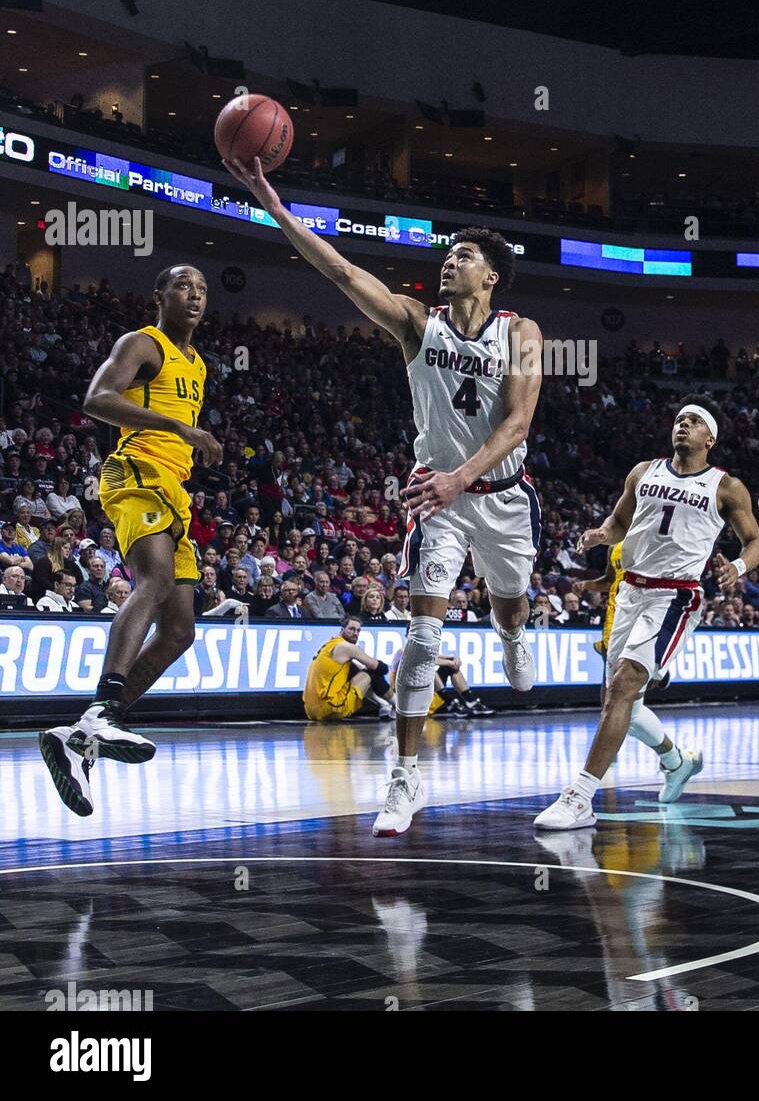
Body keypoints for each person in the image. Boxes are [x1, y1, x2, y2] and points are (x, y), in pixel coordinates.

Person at [225, 155, 542, 838]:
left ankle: (512, 629)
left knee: (510, 602)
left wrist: (465, 475)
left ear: (490, 275)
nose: (448, 262)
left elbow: (518, 421)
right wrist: (277, 209)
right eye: (447, 255)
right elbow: (341, 272)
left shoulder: (520, 332)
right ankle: (405, 778)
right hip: (440, 500)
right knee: (423, 635)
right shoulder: (414, 324)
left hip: (506, 497)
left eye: (462, 256)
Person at [37, 264, 222, 819]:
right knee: (155, 580)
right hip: (134, 470)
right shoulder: (143, 343)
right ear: (160, 296)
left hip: (175, 488)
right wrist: (178, 428)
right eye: (183, 286)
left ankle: (80, 739)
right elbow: (96, 398)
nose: (194, 295)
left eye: (202, 289)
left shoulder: (199, 363)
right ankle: (100, 709)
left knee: (182, 630)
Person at [535, 397, 759, 829]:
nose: (683, 425)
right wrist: (601, 535)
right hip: (630, 593)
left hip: (675, 597)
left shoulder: (726, 486)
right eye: (679, 419)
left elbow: (756, 543)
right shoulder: (644, 471)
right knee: (620, 701)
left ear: (709, 438)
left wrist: (736, 567)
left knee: (623, 687)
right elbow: (619, 524)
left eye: (694, 421)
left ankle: (581, 796)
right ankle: (677, 761)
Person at [303, 617, 394, 721]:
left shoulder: (330, 644)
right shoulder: (346, 647)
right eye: (351, 629)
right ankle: (399, 708)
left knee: (356, 671)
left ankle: (385, 706)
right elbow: (381, 668)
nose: (355, 633)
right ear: (342, 629)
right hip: (330, 707)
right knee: (371, 674)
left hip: (310, 710)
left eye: (358, 630)